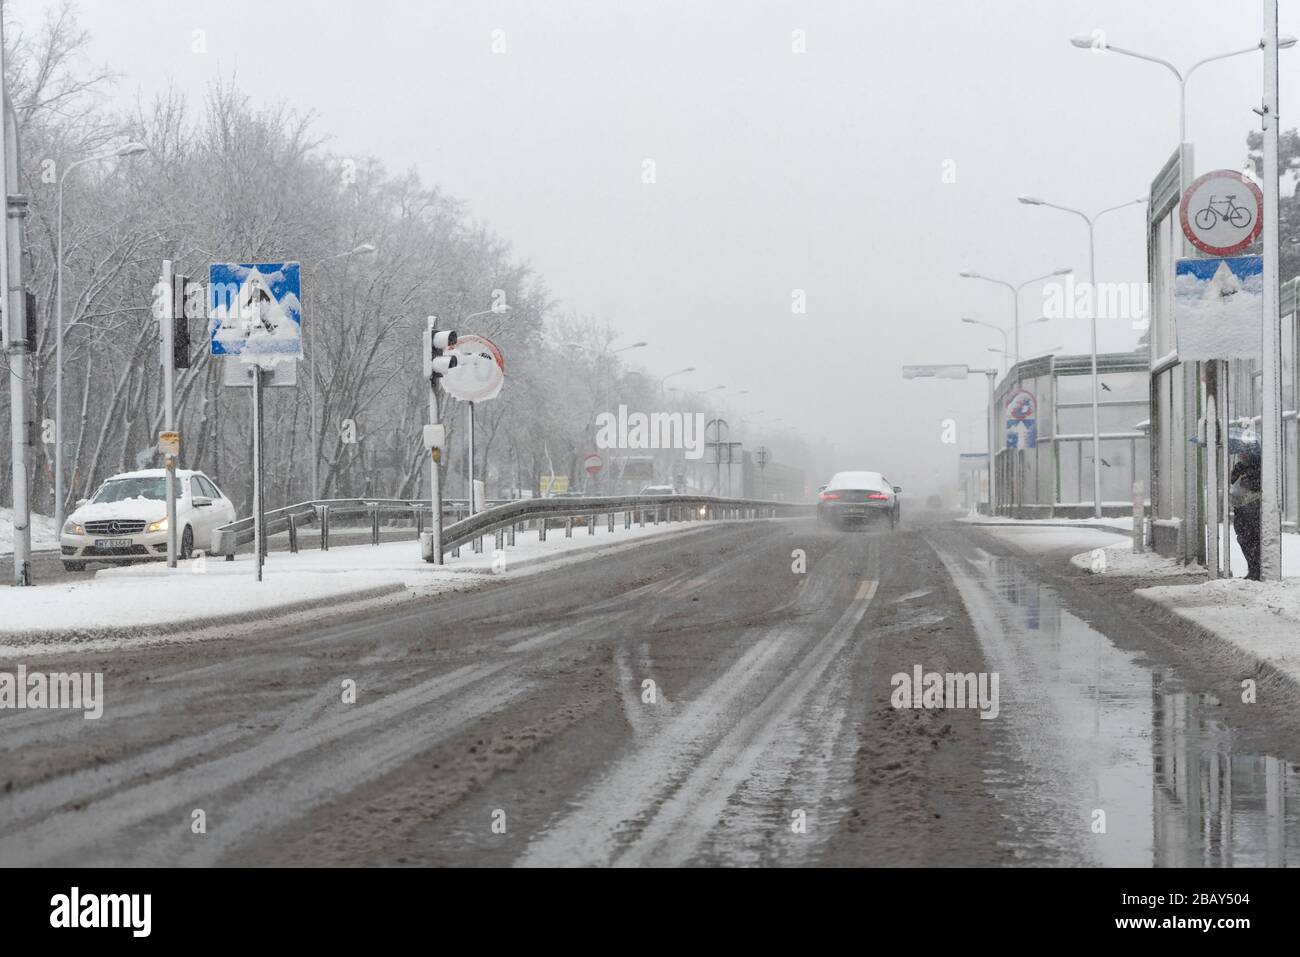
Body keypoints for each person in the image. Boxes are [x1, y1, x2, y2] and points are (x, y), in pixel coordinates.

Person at [1231, 450, 1262, 581]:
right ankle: (1252, 568)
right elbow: (1232, 481)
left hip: (1253, 509)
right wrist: (1238, 474)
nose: (1241, 455)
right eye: (1240, 453)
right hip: (1240, 508)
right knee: (1242, 539)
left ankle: (1256, 569)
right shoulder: (1239, 466)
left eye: (1244, 453)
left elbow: (1260, 484)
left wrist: (1248, 479)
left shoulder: (1260, 466)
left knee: (1254, 539)